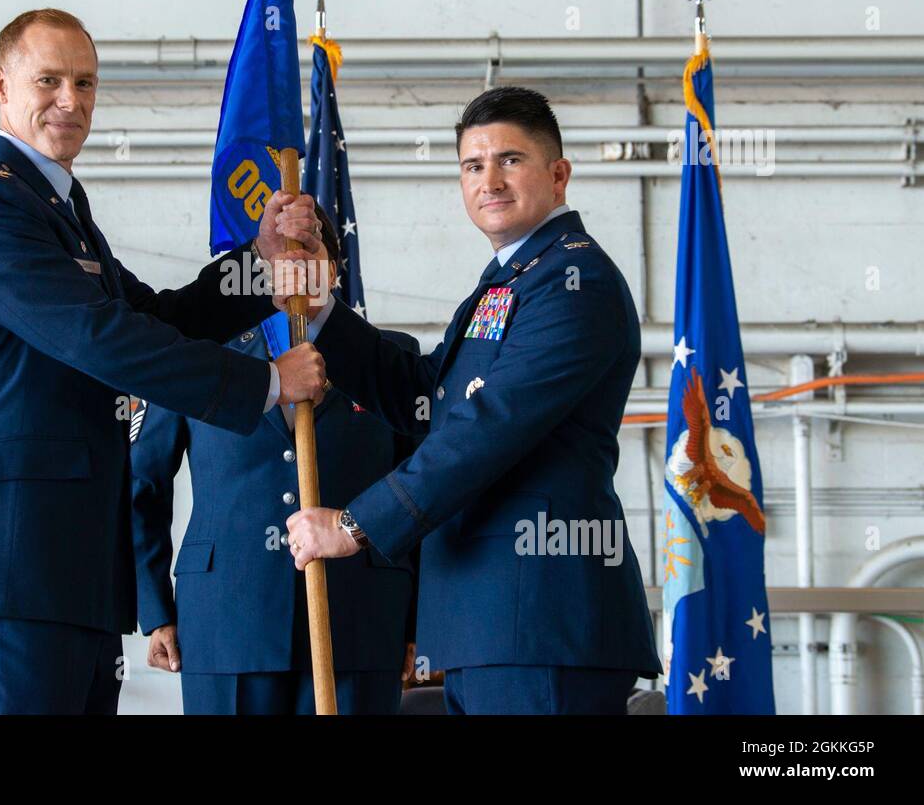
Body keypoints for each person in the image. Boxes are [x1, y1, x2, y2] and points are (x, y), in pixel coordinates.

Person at [0, 8, 327, 714]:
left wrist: (258, 268)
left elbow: (154, 316)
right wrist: (263, 381)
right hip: (16, 566)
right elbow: (99, 338)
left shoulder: (58, 205)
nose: (70, 101)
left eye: (85, 82)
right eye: (47, 80)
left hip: (71, 572)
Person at [279, 86, 661, 714]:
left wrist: (354, 525)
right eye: (472, 165)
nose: (490, 180)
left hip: (540, 619)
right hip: (485, 622)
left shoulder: (575, 281)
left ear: (559, 175)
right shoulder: (510, 280)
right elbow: (425, 399)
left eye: (510, 160)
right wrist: (321, 306)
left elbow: (487, 428)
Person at [131, 207, 420, 714]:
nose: (294, 266)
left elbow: (424, 496)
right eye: (280, 256)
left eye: (309, 252)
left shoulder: (392, 358)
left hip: (362, 619)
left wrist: (419, 624)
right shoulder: (197, 354)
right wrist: (156, 611)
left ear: (334, 269)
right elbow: (142, 484)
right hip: (226, 618)